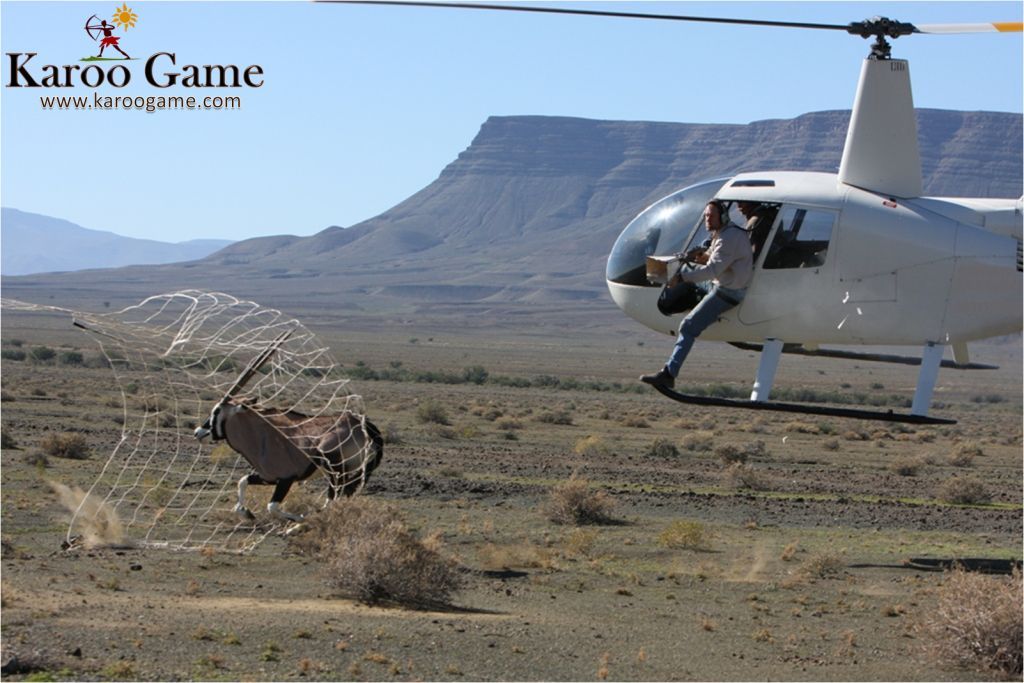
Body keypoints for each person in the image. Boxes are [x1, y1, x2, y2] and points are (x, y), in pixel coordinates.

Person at [640, 200, 753, 390]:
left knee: (688, 326)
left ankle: (669, 374)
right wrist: (697, 256)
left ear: (723, 217)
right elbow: (715, 259)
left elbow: (712, 271)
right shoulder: (723, 233)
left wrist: (681, 279)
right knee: (687, 271)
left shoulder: (729, 237)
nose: (707, 220)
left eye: (711, 216)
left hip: (729, 292)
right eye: (706, 216)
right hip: (722, 283)